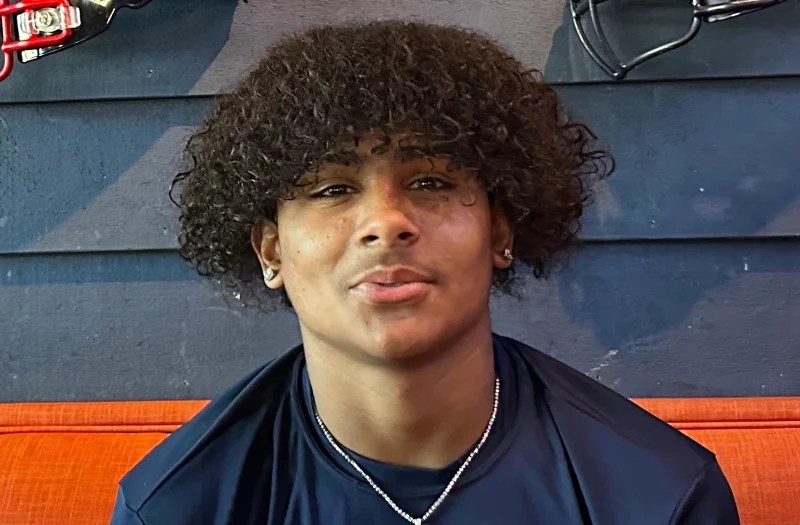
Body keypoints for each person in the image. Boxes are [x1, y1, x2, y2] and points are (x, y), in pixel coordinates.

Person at [110, 20, 739, 525]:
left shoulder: (654, 494)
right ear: (271, 251)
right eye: (332, 189)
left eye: (431, 182)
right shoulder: (178, 503)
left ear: (500, 231)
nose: (386, 222)